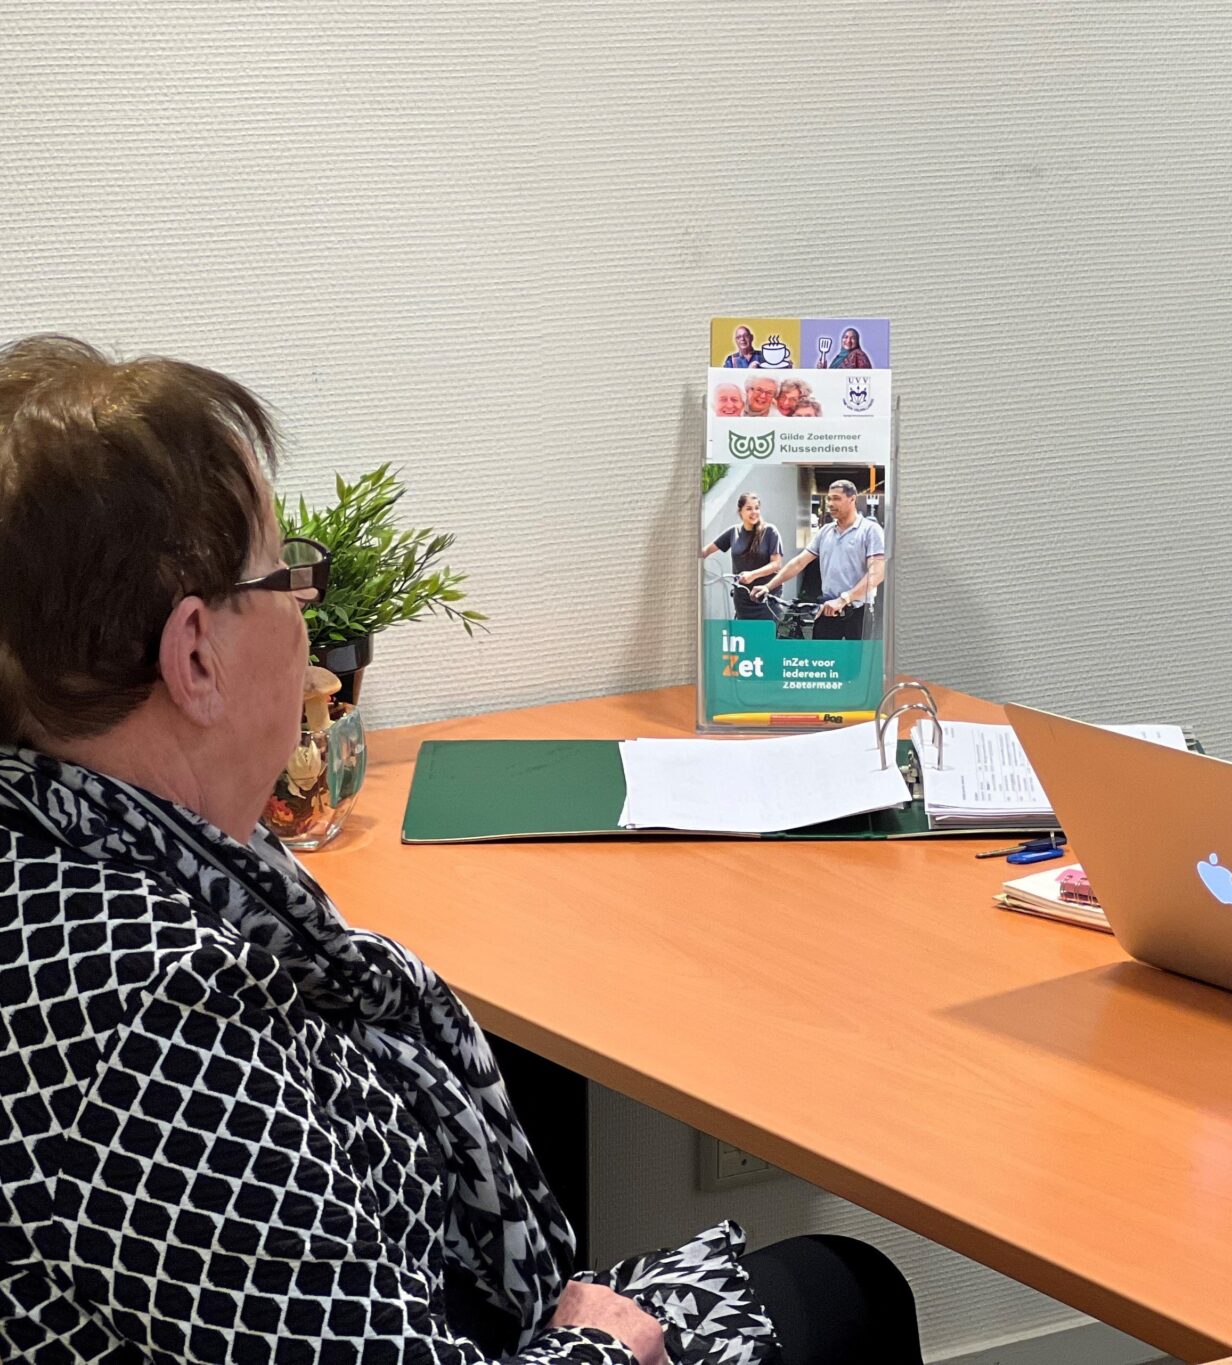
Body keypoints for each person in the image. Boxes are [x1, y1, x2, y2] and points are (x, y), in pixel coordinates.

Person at [0, 336, 923, 1361]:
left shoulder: (77, 846)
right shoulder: (157, 1016)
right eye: (283, 577)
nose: (307, 612)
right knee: (842, 1289)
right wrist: (609, 1350)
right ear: (196, 656)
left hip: (399, 1290)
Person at [752, 481, 884, 641]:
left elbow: (877, 572)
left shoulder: (870, 530)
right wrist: (768, 586)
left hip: (858, 611)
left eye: (836, 498)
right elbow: (799, 562)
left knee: (857, 664)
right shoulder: (826, 531)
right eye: (829, 499)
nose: (830, 504)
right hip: (827, 608)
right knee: (822, 661)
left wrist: (844, 599)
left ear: (852, 499)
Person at [699, 491, 783, 620]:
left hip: (766, 598)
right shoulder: (734, 532)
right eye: (749, 508)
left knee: (764, 638)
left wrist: (752, 574)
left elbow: (776, 564)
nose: (754, 512)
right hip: (742, 600)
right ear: (740, 511)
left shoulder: (770, 531)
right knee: (743, 638)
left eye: (756, 508)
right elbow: (705, 551)